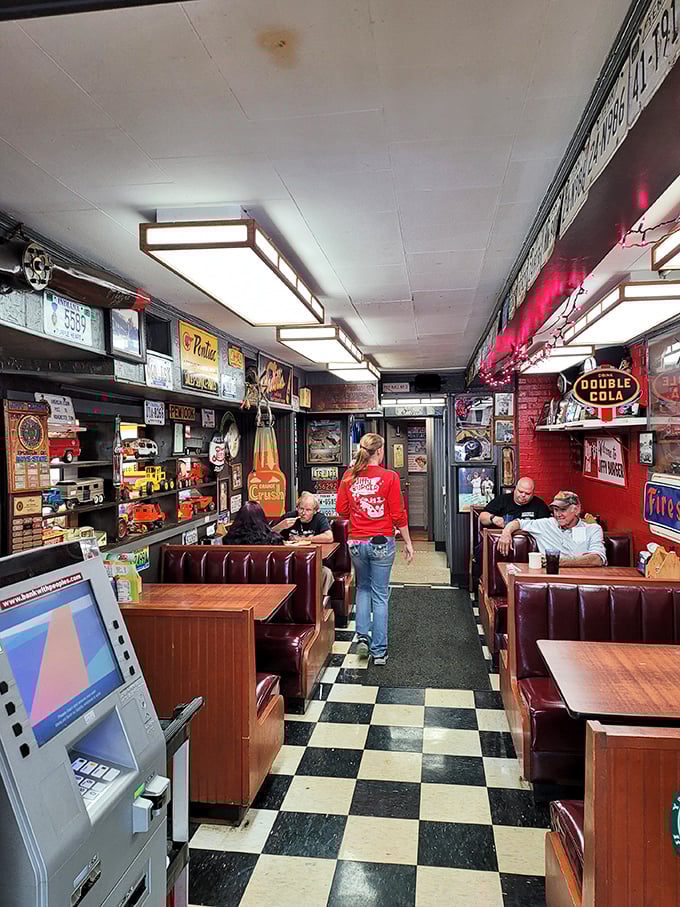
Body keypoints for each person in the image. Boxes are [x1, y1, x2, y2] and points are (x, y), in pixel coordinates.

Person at [336, 432, 414, 665]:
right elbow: (398, 514)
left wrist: (359, 514)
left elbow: (341, 510)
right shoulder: (390, 477)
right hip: (381, 541)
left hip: (357, 542)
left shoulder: (349, 477)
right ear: (379, 451)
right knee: (380, 595)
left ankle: (362, 637)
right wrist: (409, 542)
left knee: (363, 588)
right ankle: (379, 652)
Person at [497, 490, 607, 566]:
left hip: (585, 580)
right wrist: (506, 532)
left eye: (563, 509)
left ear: (577, 509)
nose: (558, 514)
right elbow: (518, 523)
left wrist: (557, 561)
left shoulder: (593, 529)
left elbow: (597, 559)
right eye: (555, 510)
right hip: (553, 581)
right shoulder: (546, 524)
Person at [277, 492, 335, 595]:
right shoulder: (289, 517)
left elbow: (329, 537)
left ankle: (319, 604)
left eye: (308, 510)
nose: (303, 513)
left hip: (313, 562)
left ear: (315, 511)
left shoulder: (319, 518)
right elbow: (268, 534)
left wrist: (302, 539)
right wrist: (280, 526)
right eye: (301, 509)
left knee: (326, 573)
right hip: (288, 562)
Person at [479, 476, 550, 529]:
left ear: (533, 493)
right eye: (520, 491)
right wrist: (493, 518)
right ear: (515, 489)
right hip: (501, 539)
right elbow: (482, 517)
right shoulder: (503, 499)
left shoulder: (539, 504)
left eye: (527, 493)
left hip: (529, 542)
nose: (523, 495)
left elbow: (547, 526)